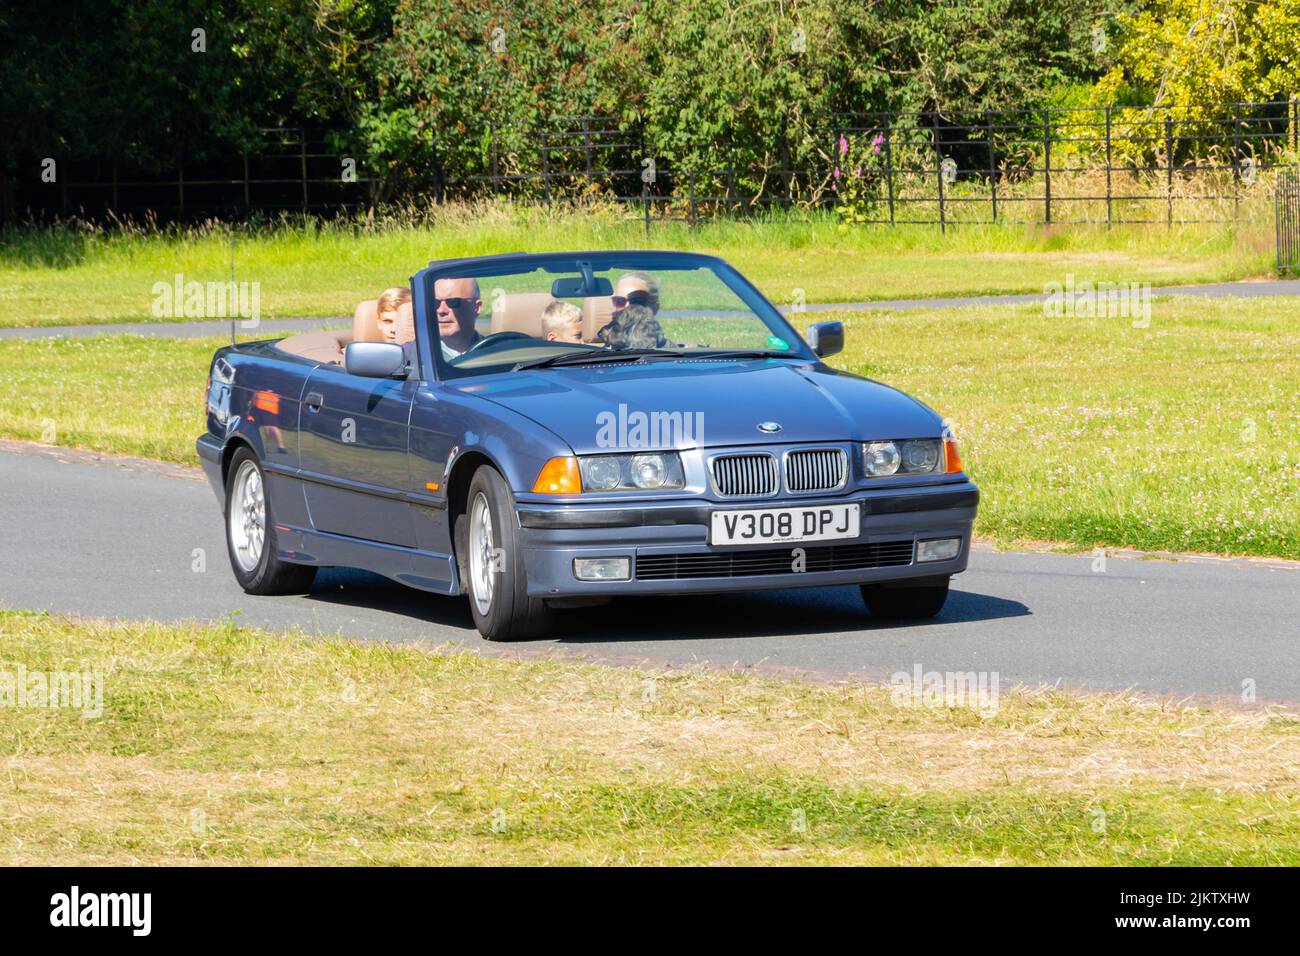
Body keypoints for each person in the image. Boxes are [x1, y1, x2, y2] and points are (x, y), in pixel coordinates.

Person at [596, 271, 667, 348]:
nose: (628, 307)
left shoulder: (675, 355)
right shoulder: (601, 356)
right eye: (620, 301)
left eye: (637, 302)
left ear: (655, 307)